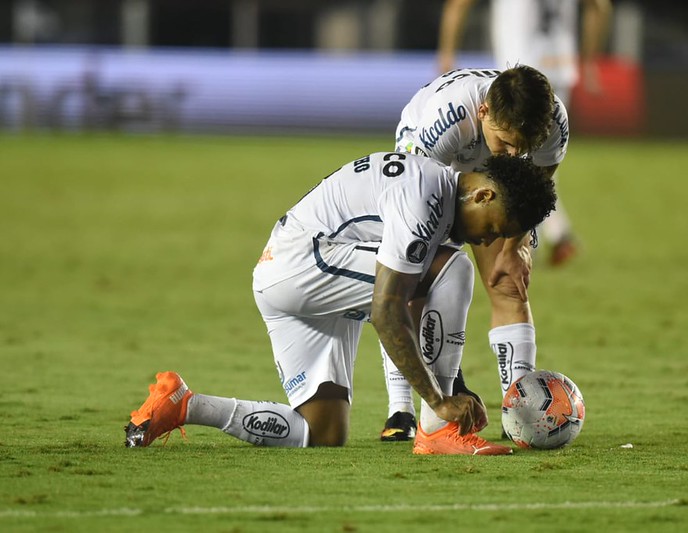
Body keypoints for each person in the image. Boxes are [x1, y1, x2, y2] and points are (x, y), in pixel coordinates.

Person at [125, 152, 557, 455]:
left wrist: (454, 385)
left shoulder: (439, 192)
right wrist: (441, 400)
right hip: (304, 264)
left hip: (298, 277)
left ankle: (183, 404)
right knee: (455, 269)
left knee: (322, 432)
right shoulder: (425, 197)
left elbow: (421, 312)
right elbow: (388, 310)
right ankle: (436, 429)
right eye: (495, 227)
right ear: (483, 195)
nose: (488, 240)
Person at [380, 65, 567, 442]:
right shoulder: (446, 119)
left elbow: (532, 190)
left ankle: (520, 413)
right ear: (483, 112)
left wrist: (514, 248)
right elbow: (414, 191)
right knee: (419, 280)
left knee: (509, 283)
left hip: (494, 181)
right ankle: (401, 409)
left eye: (523, 148)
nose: (515, 154)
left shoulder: (552, 123)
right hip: (432, 167)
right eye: (506, 142)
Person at [438, 0, 612, 266]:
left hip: (517, 71)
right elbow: (600, 7)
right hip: (559, 68)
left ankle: (524, 243)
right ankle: (552, 234)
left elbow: (459, 4)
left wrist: (447, 52)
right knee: (539, 161)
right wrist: (589, 61)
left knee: (509, 157)